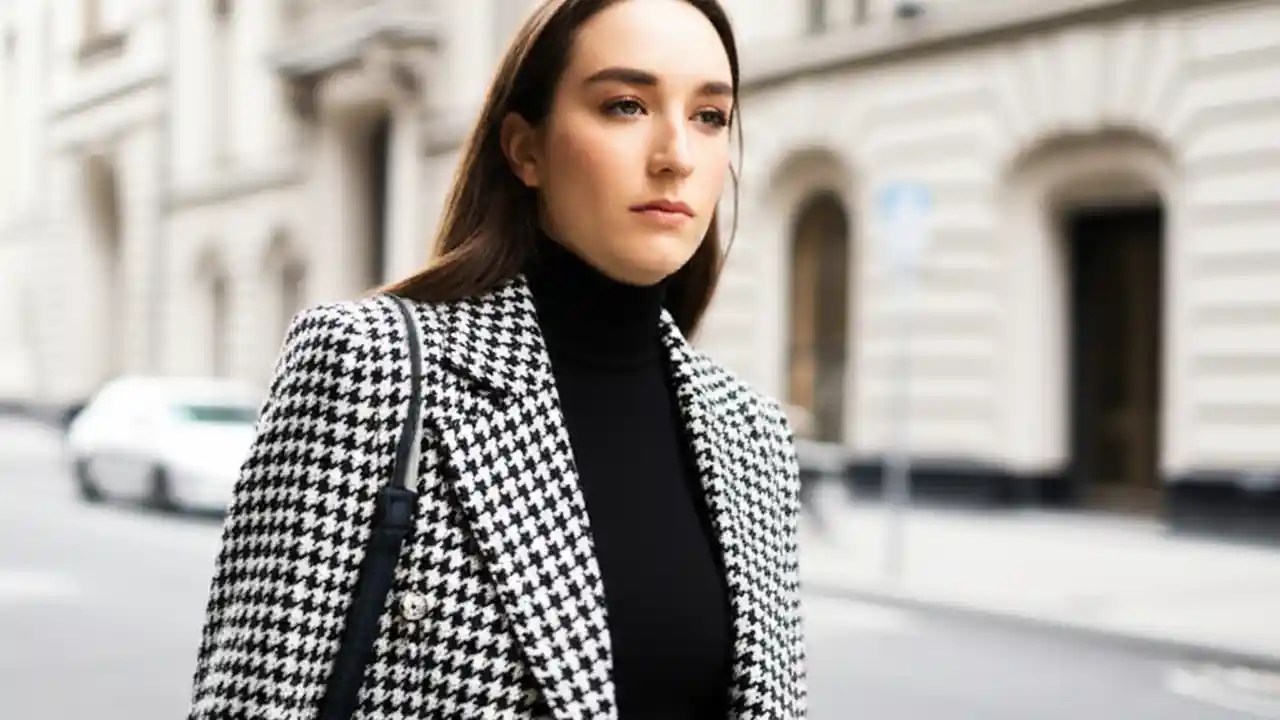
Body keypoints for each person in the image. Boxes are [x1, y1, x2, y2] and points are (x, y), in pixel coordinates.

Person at [186, 0, 805, 718]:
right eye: (627, 105)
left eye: (710, 117)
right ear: (524, 148)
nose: (677, 155)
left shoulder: (754, 438)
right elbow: (250, 703)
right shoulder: (367, 367)